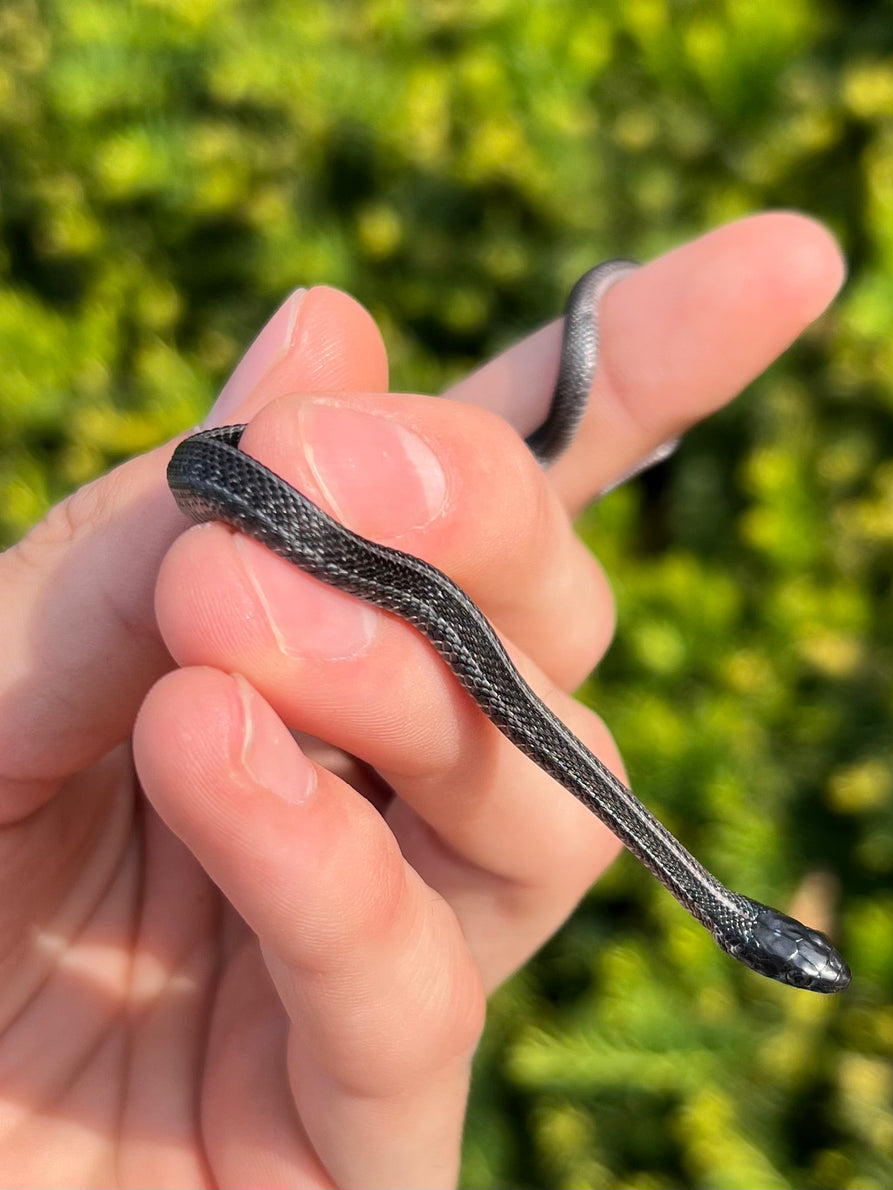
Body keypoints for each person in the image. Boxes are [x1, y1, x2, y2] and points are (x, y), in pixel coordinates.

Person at [0, 213, 844, 1188]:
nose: (798, 962)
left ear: (755, 939)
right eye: (798, 957)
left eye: (792, 960)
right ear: (751, 936)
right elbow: (208, 475)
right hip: (226, 480)